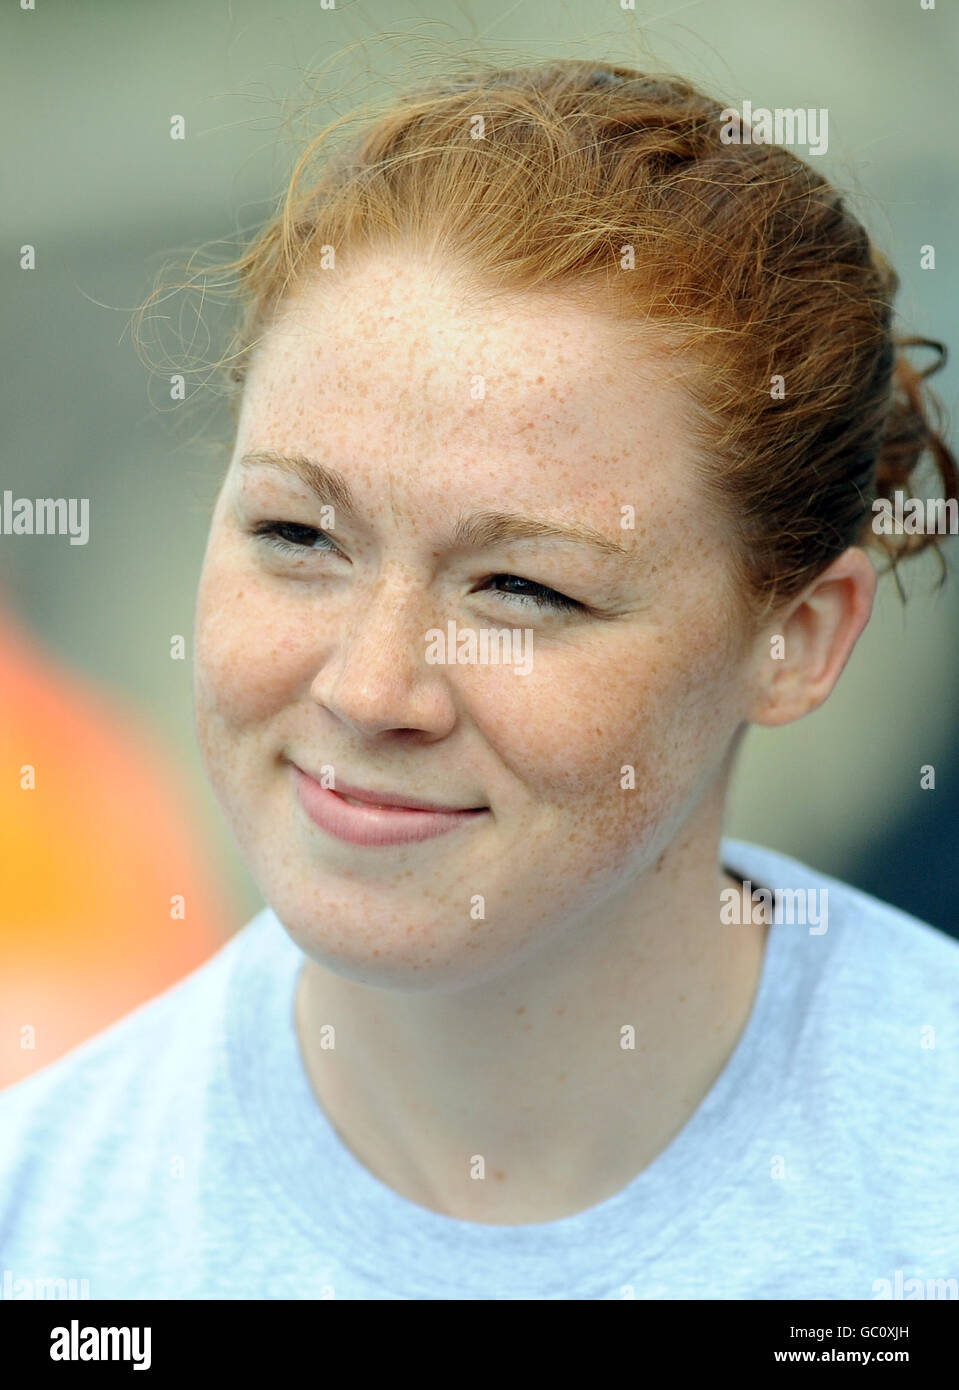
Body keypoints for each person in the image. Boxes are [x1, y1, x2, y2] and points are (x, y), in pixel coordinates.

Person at [1, 58, 957, 1301]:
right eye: (298, 535)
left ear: (796, 638)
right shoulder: (43, 1228)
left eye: (522, 589)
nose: (368, 686)